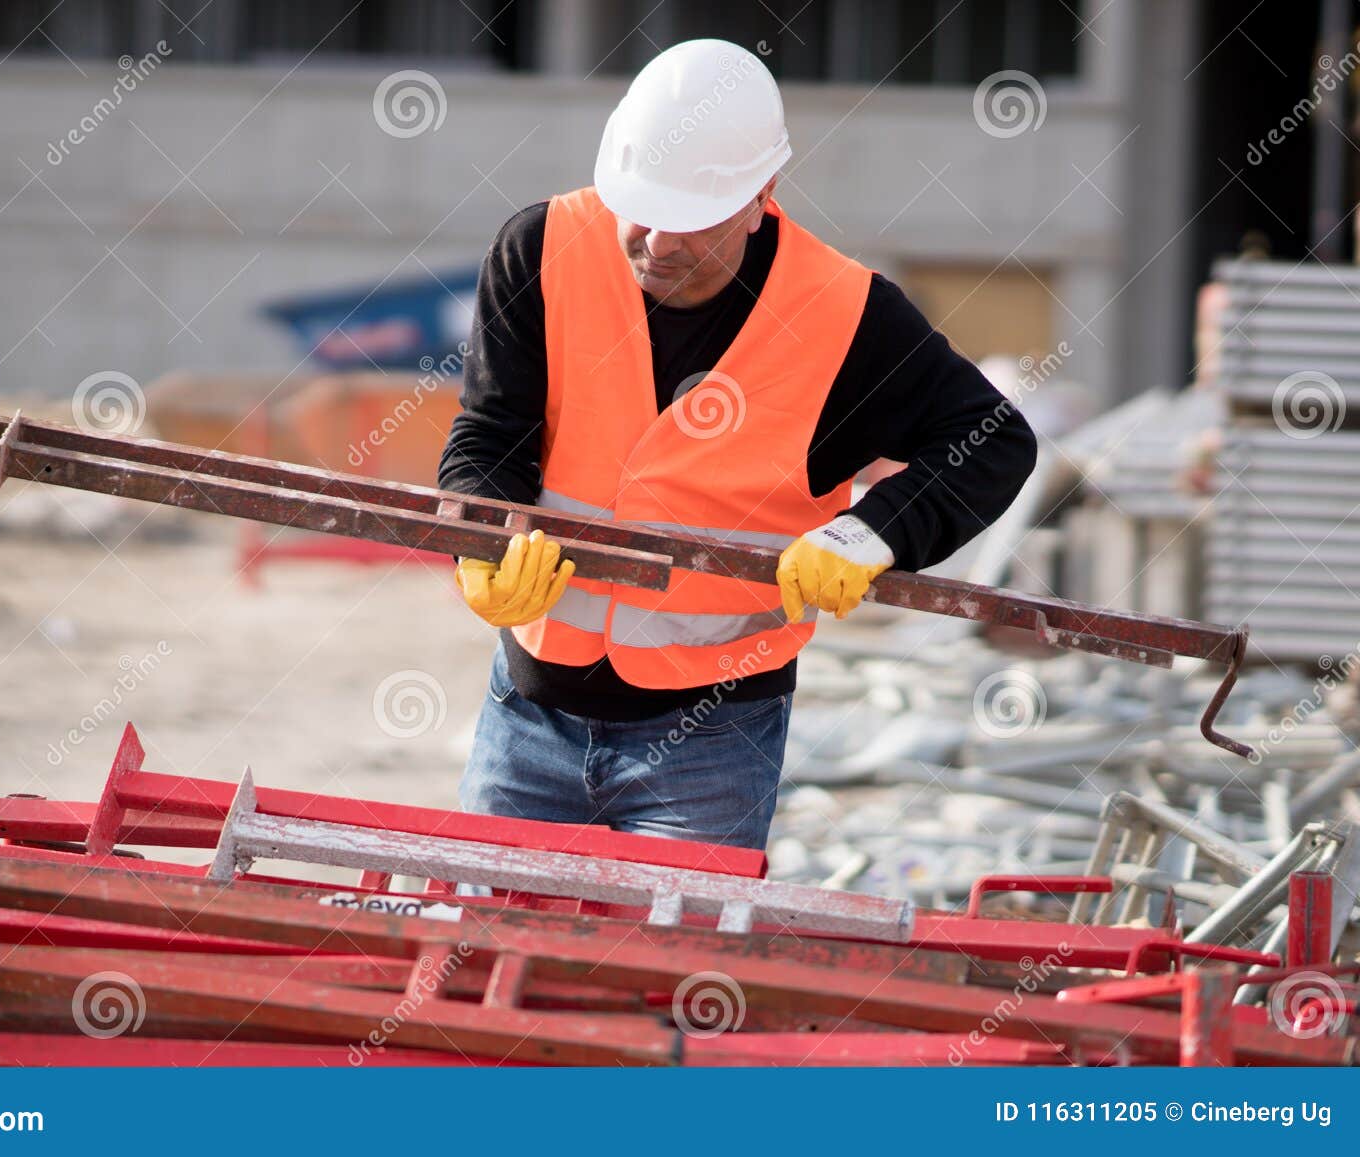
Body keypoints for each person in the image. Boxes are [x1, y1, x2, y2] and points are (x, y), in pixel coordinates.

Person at [438, 39, 1037, 850]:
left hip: (714, 738)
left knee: (675, 974)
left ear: (762, 194)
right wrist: (476, 537)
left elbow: (994, 440)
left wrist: (873, 533)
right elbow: (490, 433)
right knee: (485, 947)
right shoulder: (542, 249)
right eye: (640, 208)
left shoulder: (846, 316)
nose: (658, 242)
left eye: (689, 220)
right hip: (530, 711)